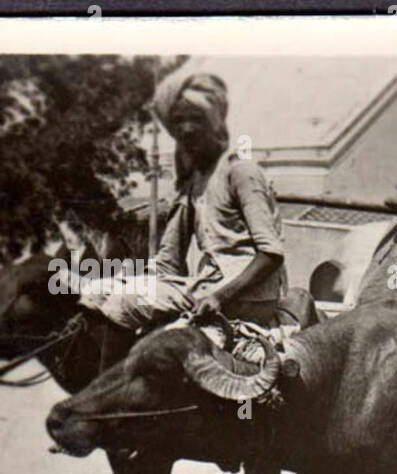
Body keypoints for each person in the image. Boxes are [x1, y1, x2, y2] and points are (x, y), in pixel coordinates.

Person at [78, 71, 288, 334]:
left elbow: (271, 253)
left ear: (214, 122)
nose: (187, 129)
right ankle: (109, 373)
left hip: (248, 296)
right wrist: (128, 280)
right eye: (178, 121)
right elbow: (169, 260)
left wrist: (219, 297)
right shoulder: (194, 183)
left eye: (196, 119)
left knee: (124, 304)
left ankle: (123, 374)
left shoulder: (240, 172)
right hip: (204, 286)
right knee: (95, 292)